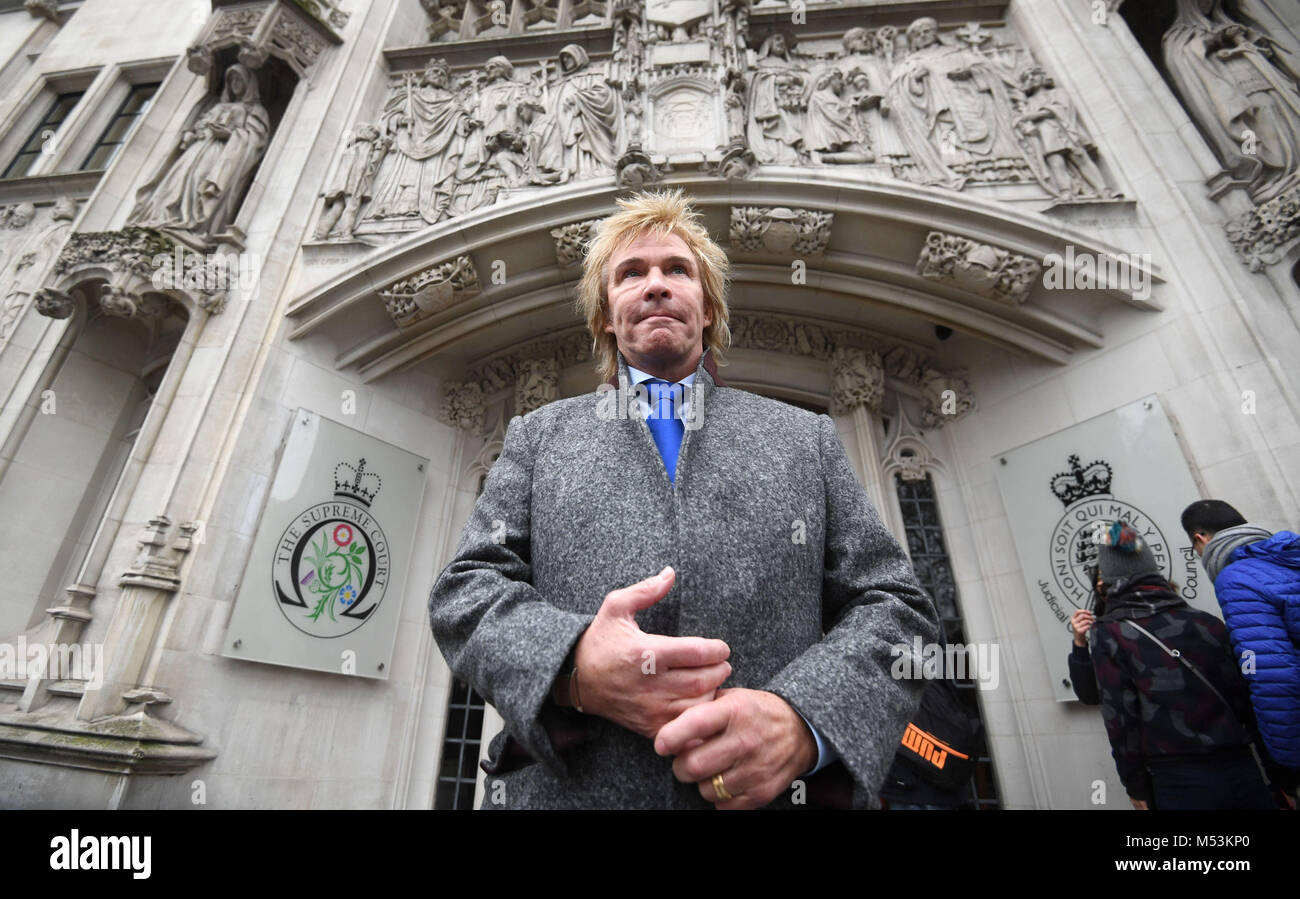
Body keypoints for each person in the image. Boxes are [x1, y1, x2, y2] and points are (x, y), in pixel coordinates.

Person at [427, 189, 938, 809]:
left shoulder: (805, 436)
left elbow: (896, 607)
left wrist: (805, 721)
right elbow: (467, 590)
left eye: (678, 270)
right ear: (607, 318)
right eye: (631, 273)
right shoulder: (539, 435)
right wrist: (574, 663)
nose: (656, 285)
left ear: (708, 310)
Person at [1087, 520, 1279, 810]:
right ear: (1152, 569)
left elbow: (1121, 720)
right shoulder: (1208, 623)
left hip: (1178, 779)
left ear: (1110, 579)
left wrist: (1135, 785)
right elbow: (1250, 703)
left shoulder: (1110, 633)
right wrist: (1277, 774)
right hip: (1243, 770)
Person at [1181, 499, 1300, 772]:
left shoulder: (1235, 578)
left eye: (1194, 548)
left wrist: (1286, 757)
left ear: (1201, 539)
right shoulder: (1288, 553)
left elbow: (1265, 669)